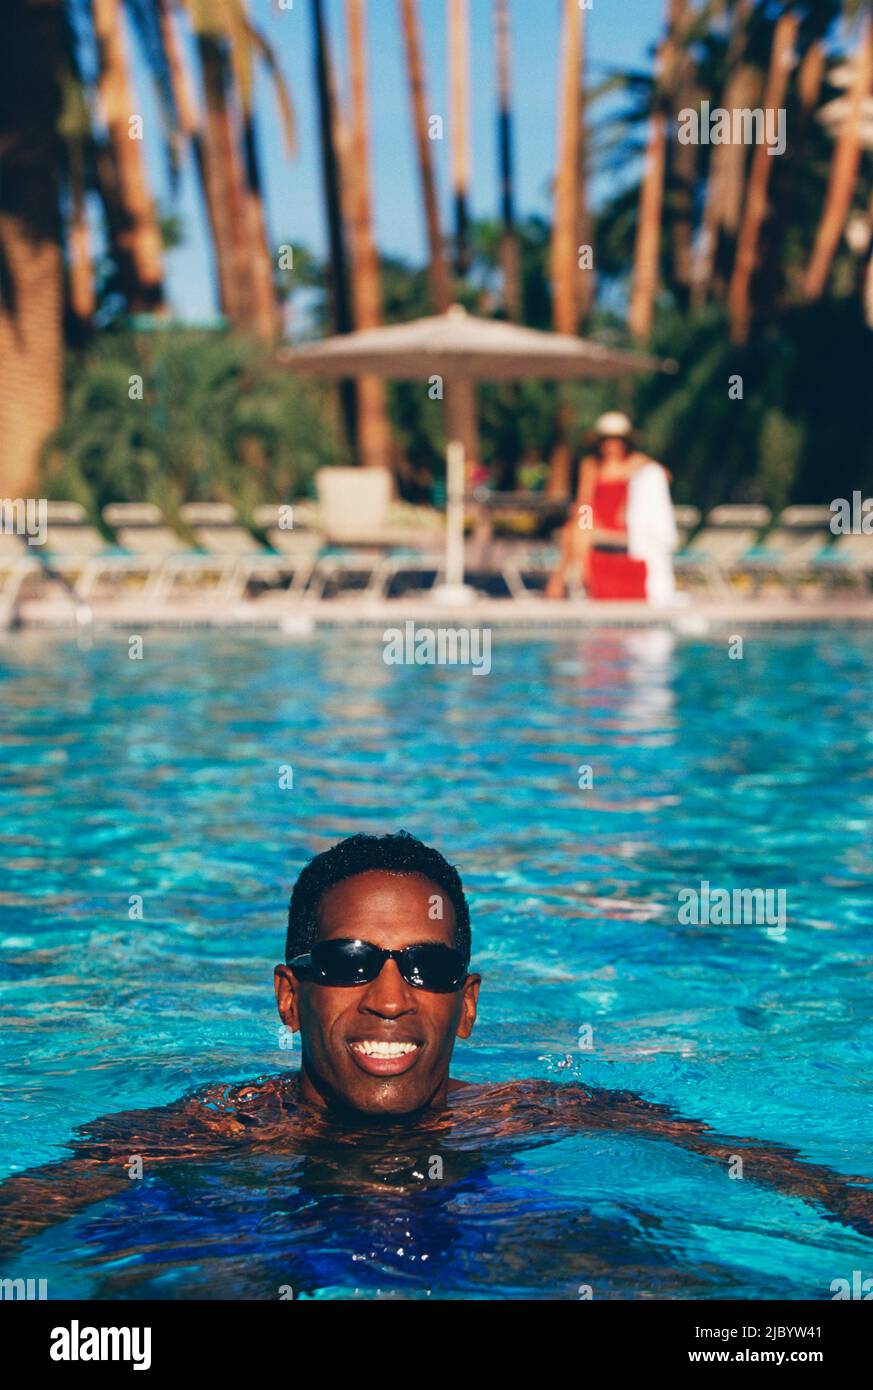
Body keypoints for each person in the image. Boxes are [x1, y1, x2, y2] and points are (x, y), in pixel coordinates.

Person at [1, 832, 871, 1258]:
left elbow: (776, 1173)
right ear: (289, 994)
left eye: (425, 967)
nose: (388, 1000)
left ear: (466, 1005)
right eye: (348, 963)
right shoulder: (198, 1137)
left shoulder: (536, 1110)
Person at [545, 412, 678, 603]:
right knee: (576, 531)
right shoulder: (591, 465)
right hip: (595, 522)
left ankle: (563, 582)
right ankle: (570, 581)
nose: (612, 444)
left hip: (625, 527)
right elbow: (585, 500)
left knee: (575, 532)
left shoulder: (635, 462)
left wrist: (632, 499)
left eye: (617, 439)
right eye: (607, 439)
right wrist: (587, 523)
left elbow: (662, 476)